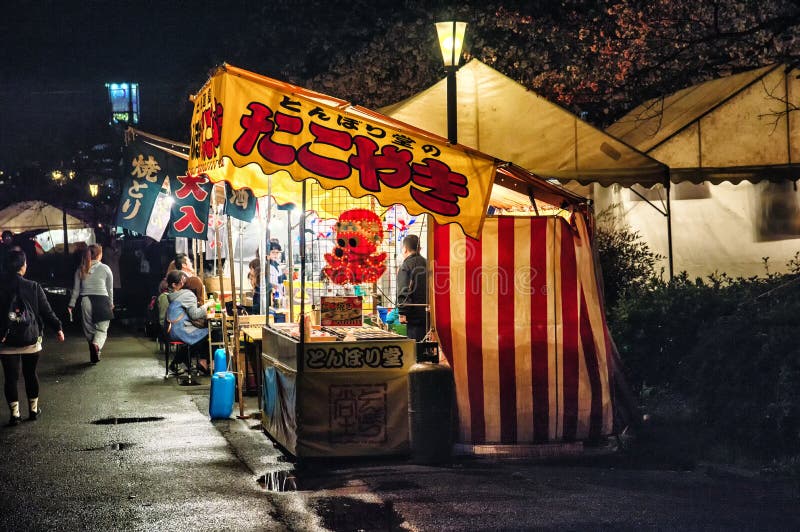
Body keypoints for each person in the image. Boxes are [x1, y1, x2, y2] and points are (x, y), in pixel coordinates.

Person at [0, 249, 65, 425]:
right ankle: (34, 410)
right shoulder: (33, 286)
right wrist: (58, 327)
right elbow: (46, 311)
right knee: (30, 374)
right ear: (23, 266)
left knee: (10, 378)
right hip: (30, 338)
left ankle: (14, 415)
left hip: (6, 340)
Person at [68, 244, 114, 364]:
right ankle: (96, 345)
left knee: (89, 330)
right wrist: (111, 303)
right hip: (102, 301)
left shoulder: (80, 269)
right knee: (102, 330)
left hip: (86, 301)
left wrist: (71, 304)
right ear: (99, 255)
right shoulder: (105, 268)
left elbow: (76, 290)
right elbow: (110, 289)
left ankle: (94, 351)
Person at [164, 270, 211, 374]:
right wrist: (207, 305)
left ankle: (179, 361)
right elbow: (194, 314)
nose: (183, 283)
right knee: (210, 333)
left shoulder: (172, 295)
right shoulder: (188, 295)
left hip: (170, 330)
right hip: (180, 330)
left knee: (198, 338)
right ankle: (203, 363)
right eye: (181, 281)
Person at [396, 234, 428, 342]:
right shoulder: (428, 263)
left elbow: (404, 289)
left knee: (416, 349)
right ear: (419, 248)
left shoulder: (406, 266)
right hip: (430, 314)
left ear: (405, 249)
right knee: (428, 346)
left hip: (414, 316)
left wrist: (402, 311)